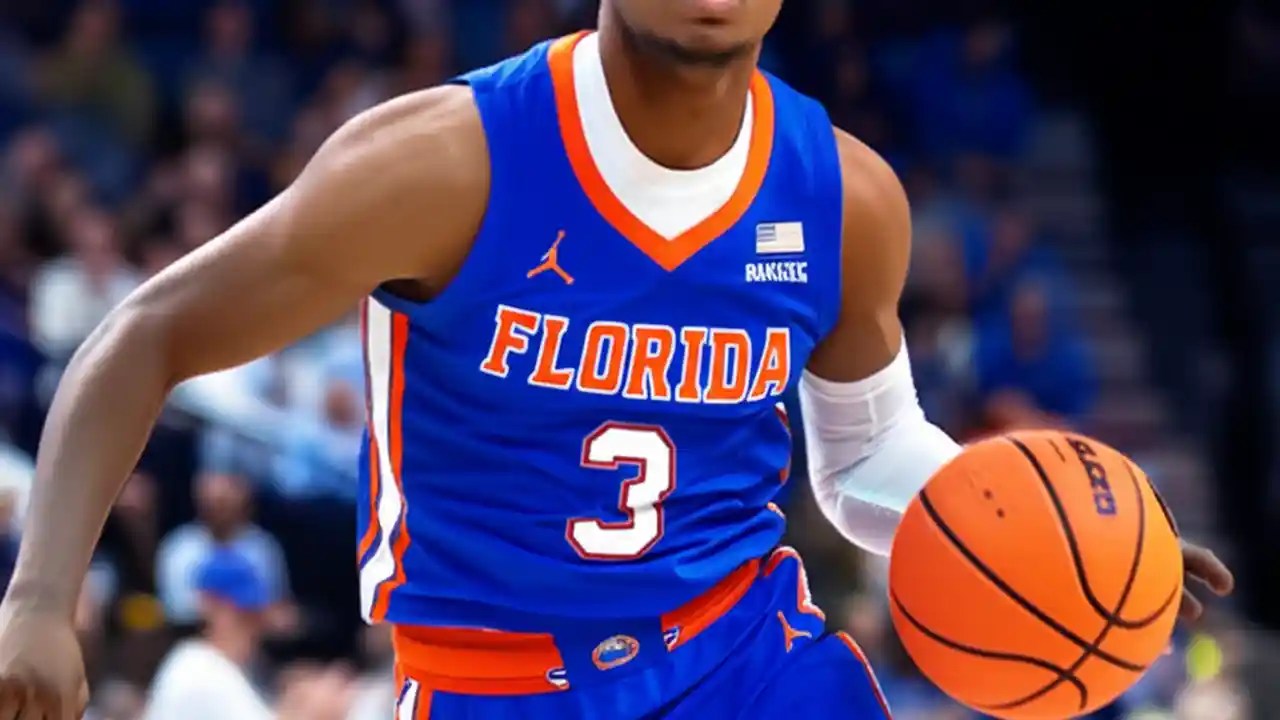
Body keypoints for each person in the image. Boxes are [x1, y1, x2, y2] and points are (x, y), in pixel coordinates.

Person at [0, 1, 1234, 718]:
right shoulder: (439, 165)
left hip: (745, 655)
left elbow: (862, 465)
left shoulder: (845, 196)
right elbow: (145, 333)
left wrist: (1060, 541)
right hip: (497, 678)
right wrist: (41, 597)